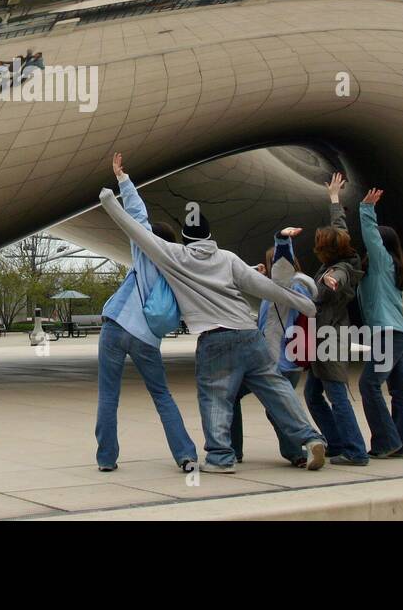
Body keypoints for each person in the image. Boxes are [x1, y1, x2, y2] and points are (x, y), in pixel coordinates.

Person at [99, 178, 326, 473]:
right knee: (276, 387)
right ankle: (309, 438)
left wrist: (110, 201)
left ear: (186, 239)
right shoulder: (227, 258)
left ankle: (221, 458)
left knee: (215, 394)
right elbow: (262, 286)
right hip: (248, 334)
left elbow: (137, 230)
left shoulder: (175, 257)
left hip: (214, 337)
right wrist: (302, 304)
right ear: (209, 235)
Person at [95, 153, 198, 473]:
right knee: (162, 395)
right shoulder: (181, 270)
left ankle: (107, 459)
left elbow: (136, 215)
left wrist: (122, 179)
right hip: (148, 338)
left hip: (116, 327)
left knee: (109, 394)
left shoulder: (145, 250)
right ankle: (185, 455)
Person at [231, 230, 318, 466]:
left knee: (230, 395)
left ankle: (232, 449)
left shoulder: (286, 289)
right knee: (280, 407)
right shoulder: (295, 287)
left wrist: (281, 240)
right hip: (292, 359)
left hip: (274, 358)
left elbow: (267, 324)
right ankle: (299, 452)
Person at [304, 172, 369, 465]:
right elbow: (339, 226)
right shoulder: (345, 253)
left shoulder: (339, 269)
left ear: (326, 250)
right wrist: (333, 198)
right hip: (327, 339)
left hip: (329, 340)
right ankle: (338, 441)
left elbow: (339, 278)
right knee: (314, 395)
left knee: (336, 397)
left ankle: (355, 451)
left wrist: (331, 282)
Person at [357, 187, 403, 458]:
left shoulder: (382, 263)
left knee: (368, 384)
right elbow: (400, 302)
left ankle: (386, 441)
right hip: (397, 333)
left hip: (388, 334)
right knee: (399, 390)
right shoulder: (391, 268)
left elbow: (371, 238)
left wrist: (366, 209)